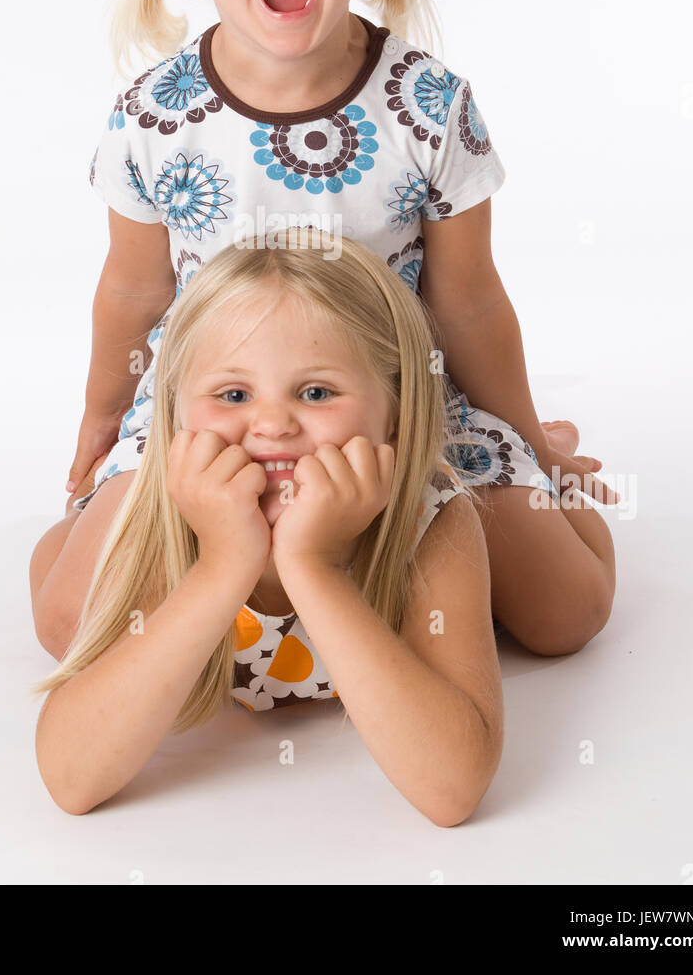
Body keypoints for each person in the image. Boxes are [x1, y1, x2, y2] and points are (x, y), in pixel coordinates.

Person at [32, 0, 615, 680]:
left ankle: (545, 470)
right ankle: (95, 522)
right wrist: (105, 424)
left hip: (403, 401)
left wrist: (523, 439)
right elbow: (133, 292)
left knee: (565, 615)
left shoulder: (429, 106)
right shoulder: (151, 116)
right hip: (215, 414)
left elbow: (467, 300)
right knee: (71, 625)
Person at [30, 228, 505, 822]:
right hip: (143, 505)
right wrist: (223, 563)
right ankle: (87, 504)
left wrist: (313, 566)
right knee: (61, 616)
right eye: (233, 394)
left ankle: (544, 454)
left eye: (316, 391)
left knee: (560, 611)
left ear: (395, 410)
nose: (273, 424)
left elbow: (452, 792)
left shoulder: (433, 521)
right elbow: (71, 782)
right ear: (173, 411)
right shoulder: (159, 516)